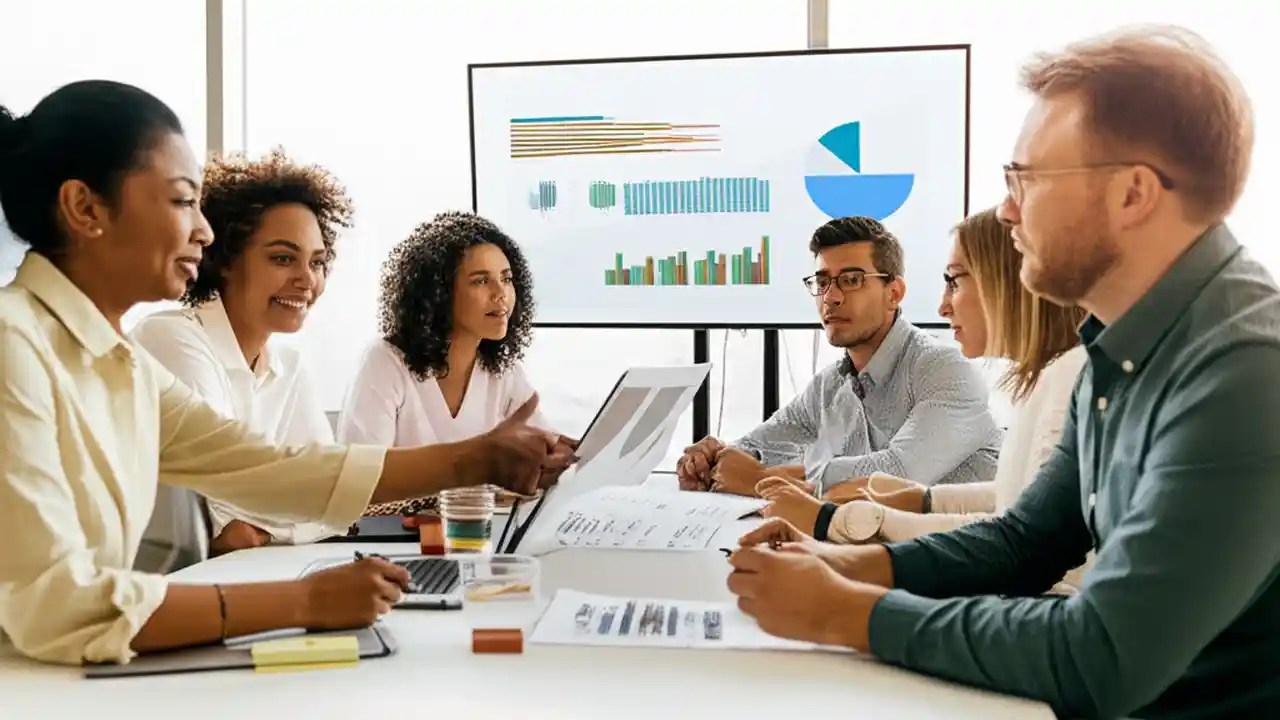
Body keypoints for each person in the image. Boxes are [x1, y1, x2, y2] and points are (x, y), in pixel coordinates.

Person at [725, 26, 1279, 718]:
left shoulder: (1245, 374)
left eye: (1027, 178)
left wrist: (852, 614)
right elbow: (1026, 541)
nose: (1009, 210)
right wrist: (848, 564)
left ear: (1134, 194)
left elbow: (1100, 652)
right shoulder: (1122, 344)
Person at [0, 81, 556, 666]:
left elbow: (267, 466)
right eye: (182, 201)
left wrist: (479, 459)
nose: (204, 231)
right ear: (86, 208)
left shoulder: (120, 363)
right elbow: (62, 605)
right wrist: (300, 602)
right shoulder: (14, 345)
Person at [758, 209, 1087, 584]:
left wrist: (831, 521)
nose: (943, 306)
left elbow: (1022, 544)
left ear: (1012, 282)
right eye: (822, 282)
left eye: (955, 282)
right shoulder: (1047, 381)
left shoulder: (1067, 383)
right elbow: (1013, 502)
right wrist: (924, 500)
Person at [130, 149, 354, 567]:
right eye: (283, 258)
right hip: (158, 591)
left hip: (241, 575)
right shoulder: (172, 339)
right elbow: (217, 496)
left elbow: (333, 500)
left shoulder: (289, 368)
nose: (307, 279)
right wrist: (277, 512)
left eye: (317, 262)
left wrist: (262, 529)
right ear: (227, 260)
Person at [677, 216, 1001, 496]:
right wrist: (711, 461)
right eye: (822, 281)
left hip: (965, 564)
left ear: (894, 293)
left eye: (851, 280)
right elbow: (760, 449)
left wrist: (761, 480)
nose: (830, 298)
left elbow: (897, 475)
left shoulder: (943, 368)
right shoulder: (829, 386)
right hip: (878, 558)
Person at [337, 211, 576, 515]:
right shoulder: (385, 363)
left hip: (476, 536)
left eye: (506, 279)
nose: (501, 294)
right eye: (480, 281)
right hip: (398, 544)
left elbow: (537, 459)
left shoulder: (503, 371)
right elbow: (357, 485)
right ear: (438, 294)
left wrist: (553, 461)